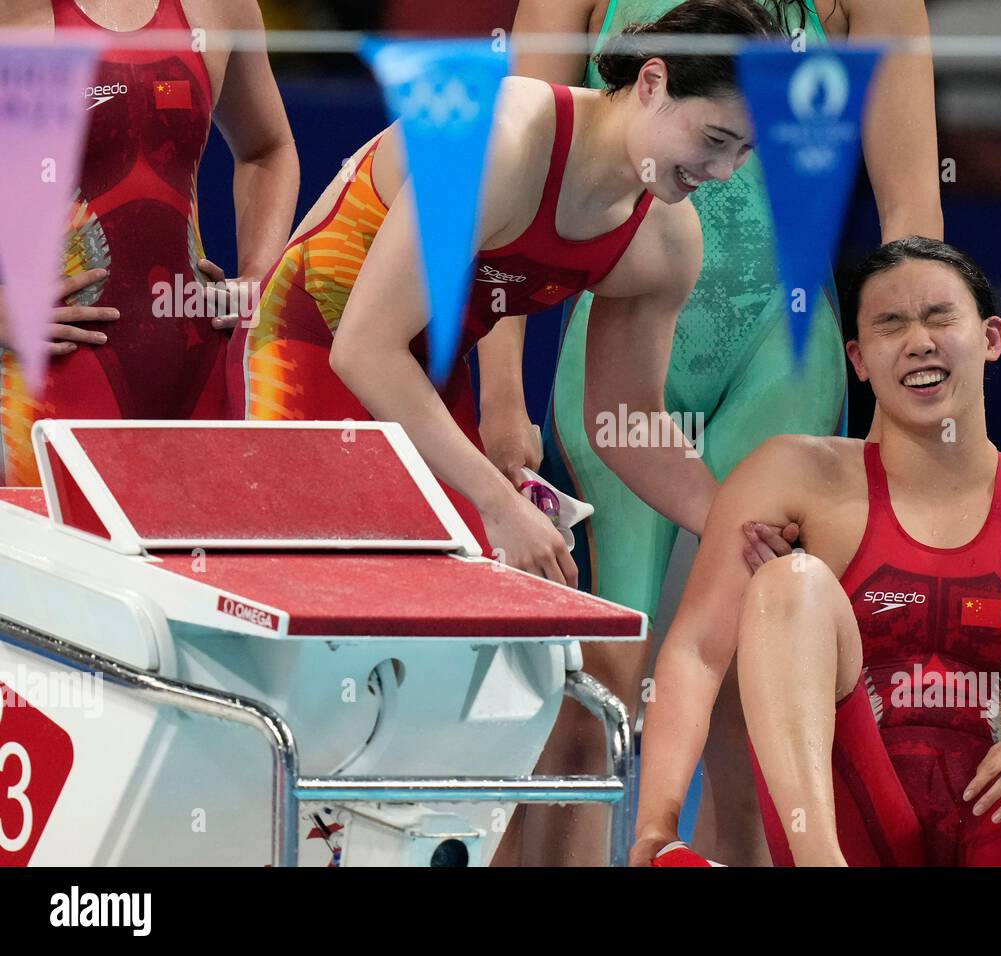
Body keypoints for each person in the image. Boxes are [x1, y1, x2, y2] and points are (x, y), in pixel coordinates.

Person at [490, 0, 942, 865]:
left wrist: (900, 417)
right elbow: (516, 185)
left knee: (753, 681)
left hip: (786, 349)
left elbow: (911, 208)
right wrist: (502, 392)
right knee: (601, 682)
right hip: (624, 342)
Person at [632, 236, 1001, 866]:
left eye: (941, 317)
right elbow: (698, 651)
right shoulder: (792, 475)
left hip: (995, 825)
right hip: (846, 830)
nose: (919, 341)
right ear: (858, 360)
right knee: (792, 583)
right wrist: (655, 827)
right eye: (891, 325)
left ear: (991, 337)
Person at [228, 0, 794, 591]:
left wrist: (732, 524)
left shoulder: (664, 243)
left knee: (445, 602)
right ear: (653, 81)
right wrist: (499, 502)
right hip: (304, 345)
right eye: (716, 138)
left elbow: (624, 422)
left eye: (745, 151)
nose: (725, 170)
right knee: (311, 592)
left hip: (421, 380)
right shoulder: (499, 141)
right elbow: (363, 349)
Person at [0, 0, 299, 488]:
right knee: (59, 562)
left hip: (197, 364)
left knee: (200, 560)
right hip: (50, 376)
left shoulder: (221, 8)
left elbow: (268, 149)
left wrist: (259, 275)